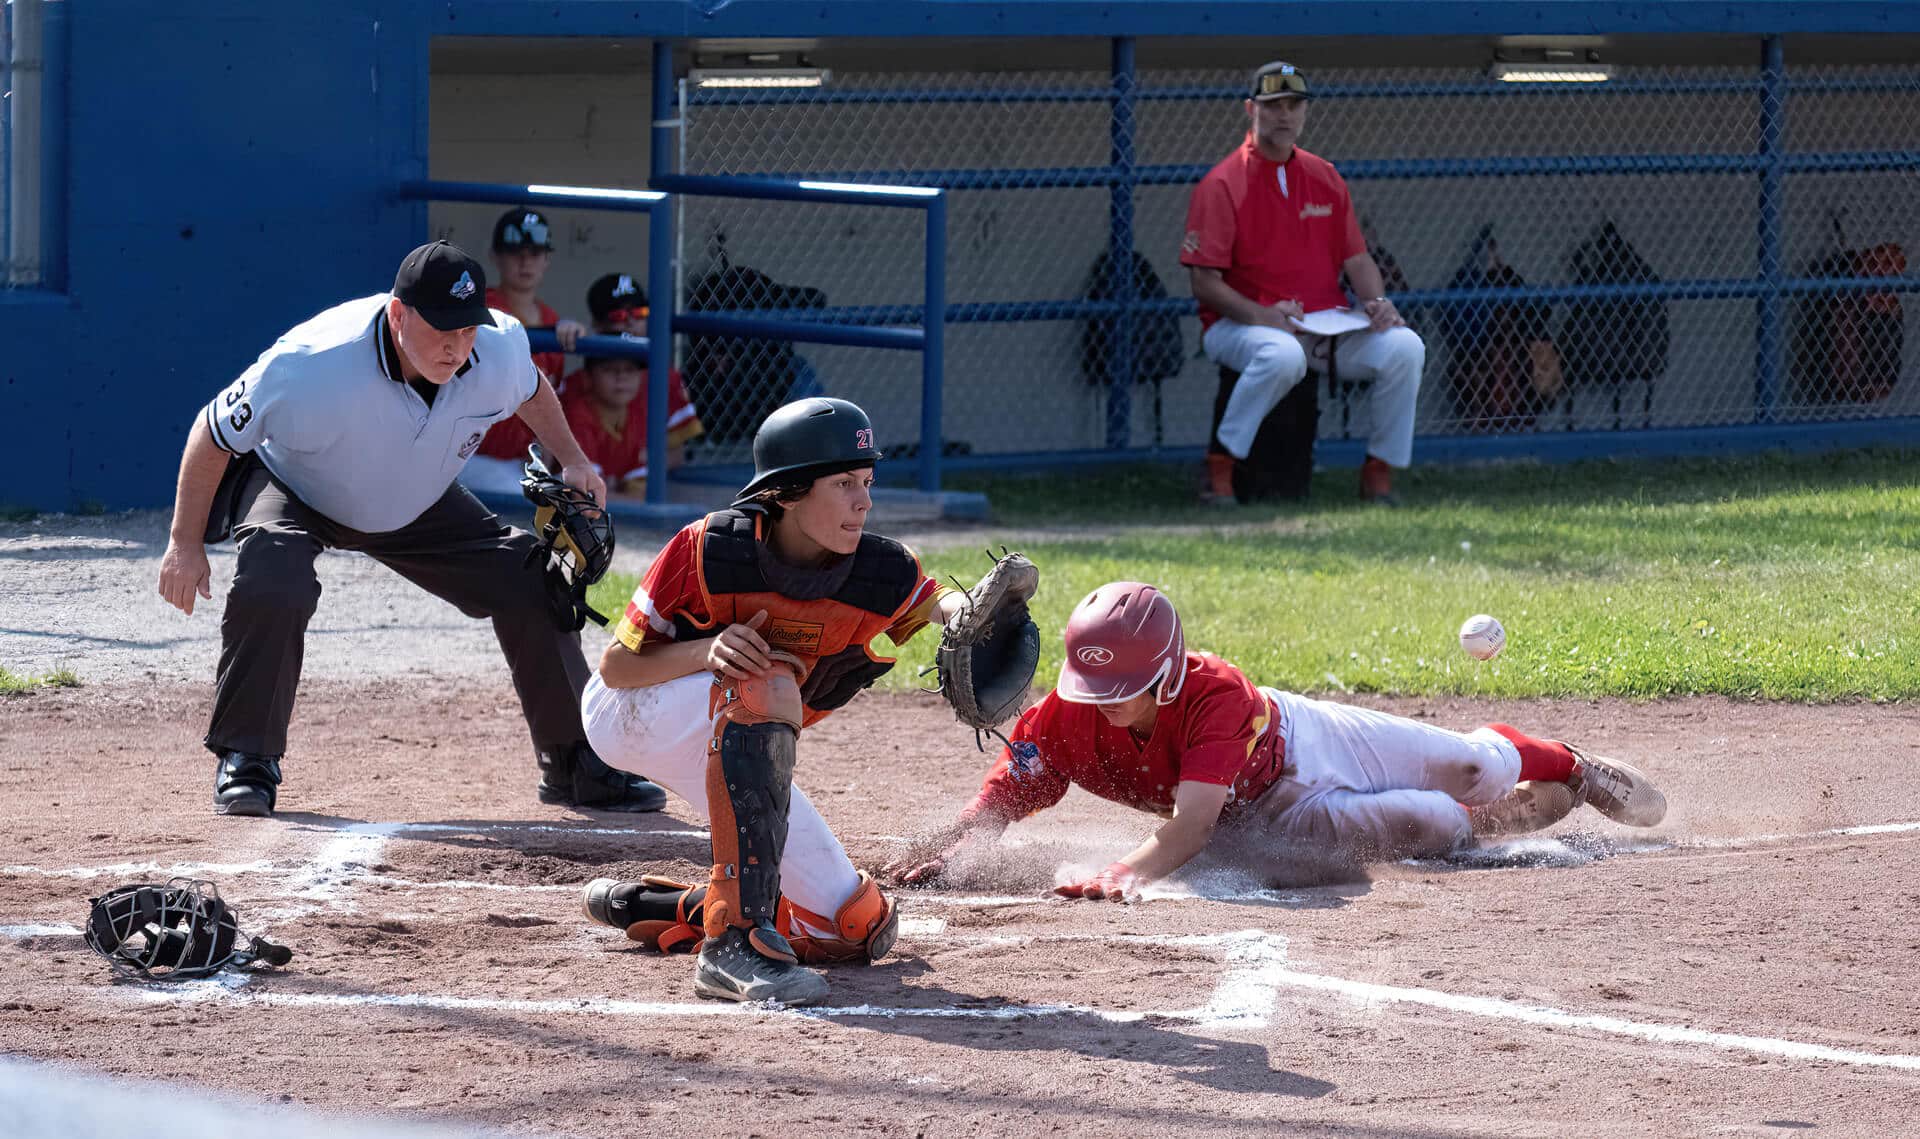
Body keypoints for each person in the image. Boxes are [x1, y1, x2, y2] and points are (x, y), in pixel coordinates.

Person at [155, 240, 666, 818]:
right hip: (299, 486)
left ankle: (577, 761)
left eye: (467, 327)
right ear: (398, 314)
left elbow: (529, 389)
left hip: (416, 500)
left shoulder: (494, 347)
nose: (457, 345)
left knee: (530, 578)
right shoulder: (310, 363)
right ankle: (247, 758)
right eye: (443, 328)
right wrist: (183, 542)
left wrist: (572, 459)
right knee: (275, 575)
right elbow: (214, 430)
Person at [574, 397, 985, 1005]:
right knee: (761, 678)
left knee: (856, 928)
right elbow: (617, 667)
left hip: (735, 736)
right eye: (843, 483)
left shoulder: (879, 570)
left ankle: (679, 907)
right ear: (787, 492)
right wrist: (706, 650)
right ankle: (734, 947)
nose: (863, 501)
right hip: (633, 714)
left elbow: (933, 604)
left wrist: (969, 614)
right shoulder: (711, 549)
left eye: (867, 481)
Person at [885, 582, 1667, 901]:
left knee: (1469, 765)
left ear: (1164, 673)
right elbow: (1007, 793)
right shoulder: (1066, 713)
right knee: (1435, 826)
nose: (1102, 707)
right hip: (1259, 814)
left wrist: (1121, 874)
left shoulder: (1214, 694)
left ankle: (1560, 761)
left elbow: (1188, 829)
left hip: (1306, 743)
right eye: (1093, 690)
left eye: (1120, 690)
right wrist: (956, 845)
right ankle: (1508, 815)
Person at [1182, 61, 1425, 507]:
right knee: (1282, 354)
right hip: (1237, 326)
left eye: (1295, 105)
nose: (1285, 115)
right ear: (1250, 109)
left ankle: (1378, 475)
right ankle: (1218, 467)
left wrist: (1377, 302)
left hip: (1323, 325)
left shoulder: (1324, 175)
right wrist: (1265, 317)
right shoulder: (1221, 183)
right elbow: (1204, 283)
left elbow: (1357, 258)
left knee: (1405, 346)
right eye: (1274, 105)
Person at [460, 207, 589, 495]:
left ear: (547, 260)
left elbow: (550, 404)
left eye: (534, 253)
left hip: (520, 461)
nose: (525, 261)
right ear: (495, 256)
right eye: (515, 252)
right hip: (470, 456)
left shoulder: (553, 321)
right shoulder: (478, 307)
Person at [559, 273, 704, 498]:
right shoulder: (578, 387)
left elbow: (677, 454)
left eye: (638, 313)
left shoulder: (665, 377)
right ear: (597, 324)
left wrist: (638, 468)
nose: (629, 322)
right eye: (618, 314)